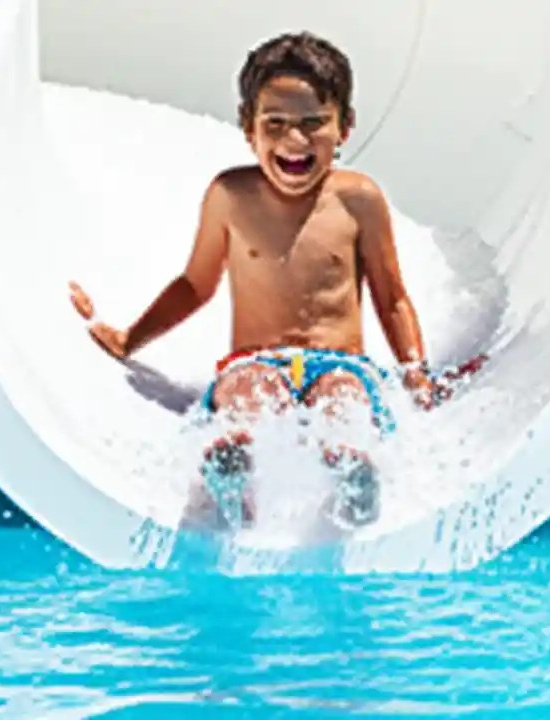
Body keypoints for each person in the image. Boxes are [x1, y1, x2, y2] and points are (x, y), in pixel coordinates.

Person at [68, 31, 439, 530]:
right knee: (247, 391)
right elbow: (194, 286)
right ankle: (234, 470)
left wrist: (415, 369)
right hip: (256, 358)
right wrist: (130, 338)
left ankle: (351, 473)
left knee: (343, 397)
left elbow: (391, 297)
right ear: (248, 128)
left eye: (314, 124)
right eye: (276, 124)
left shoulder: (359, 200)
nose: (294, 141)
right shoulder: (230, 197)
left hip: (341, 360)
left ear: (345, 127)